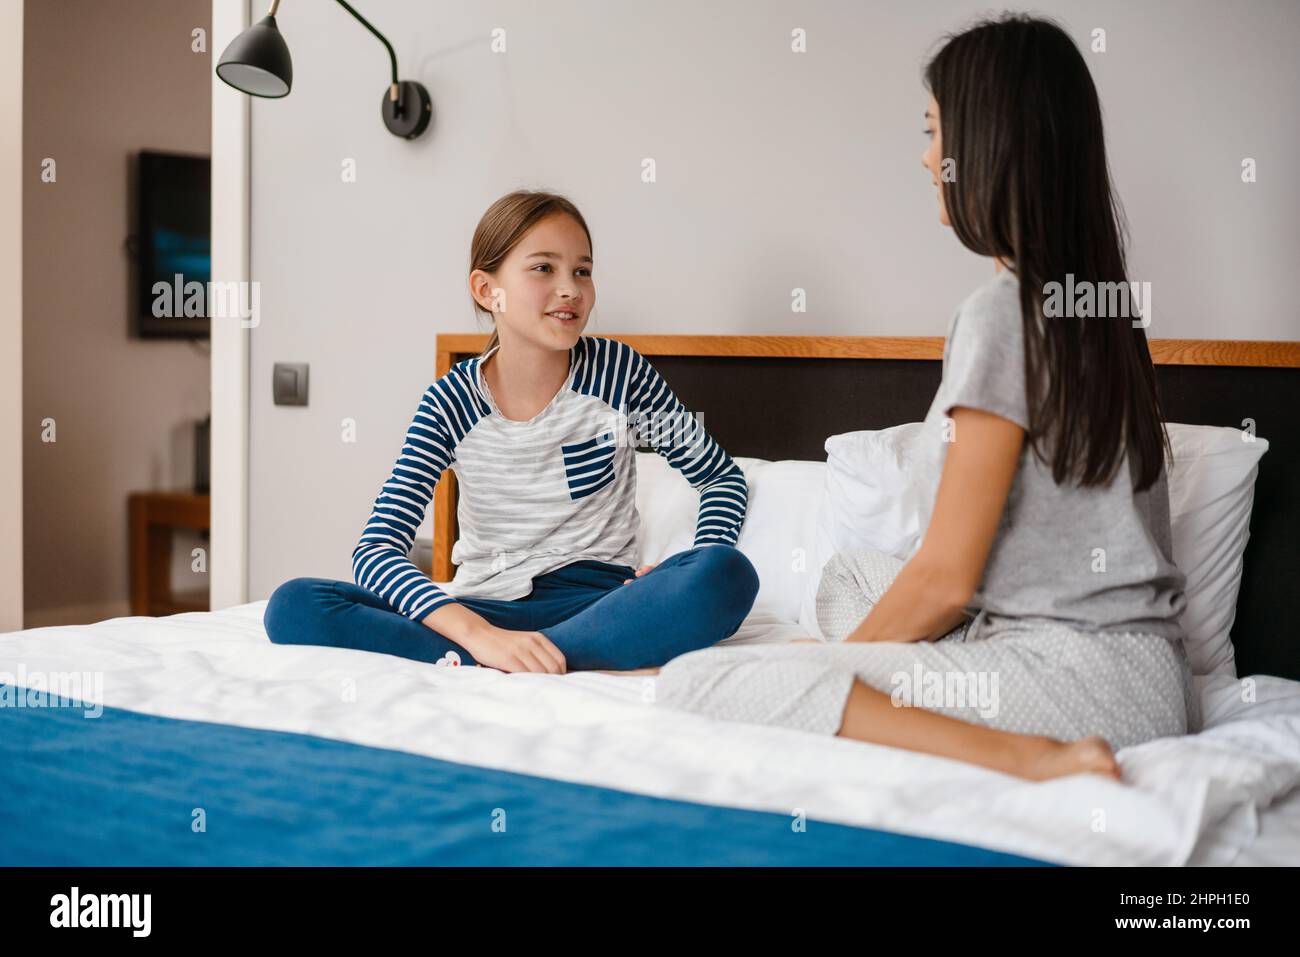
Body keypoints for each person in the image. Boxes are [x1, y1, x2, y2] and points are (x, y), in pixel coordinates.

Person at [653, 14, 1198, 782]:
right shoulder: (1101, 307)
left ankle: (1037, 758)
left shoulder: (1001, 315)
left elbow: (946, 579)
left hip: (1077, 684)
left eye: (934, 131)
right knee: (846, 580)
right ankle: (900, 693)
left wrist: (830, 674)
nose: (924, 157)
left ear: (990, 144)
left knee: (695, 682)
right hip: (1151, 676)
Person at [265, 189, 759, 673]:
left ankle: (530, 654)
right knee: (294, 605)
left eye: (582, 271)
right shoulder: (449, 402)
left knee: (724, 574)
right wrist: (483, 636)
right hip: (487, 611)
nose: (570, 288)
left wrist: (687, 561)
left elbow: (720, 479)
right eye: (544, 268)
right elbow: (375, 549)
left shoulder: (620, 373)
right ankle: (510, 655)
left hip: (600, 605)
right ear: (487, 290)